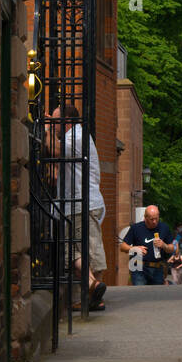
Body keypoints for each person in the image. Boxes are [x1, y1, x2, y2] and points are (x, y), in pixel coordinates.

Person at [49, 105, 107, 311]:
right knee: (89, 252)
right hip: (85, 203)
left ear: (68, 121)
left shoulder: (75, 137)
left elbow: (54, 150)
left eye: (56, 122)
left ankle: (92, 289)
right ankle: (93, 296)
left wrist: (43, 128)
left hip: (81, 204)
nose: (54, 126)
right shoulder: (77, 136)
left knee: (74, 251)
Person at [119, 205, 175, 285]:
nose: (154, 221)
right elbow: (123, 247)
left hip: (158, 268)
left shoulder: (164, 227)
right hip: (139, 267)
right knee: (140, 294)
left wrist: (164, 245)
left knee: (156, 295)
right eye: (152, 219)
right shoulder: (136, 228)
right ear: (145, 217)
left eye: (156, 218)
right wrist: (135, 248)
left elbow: (172, 248)